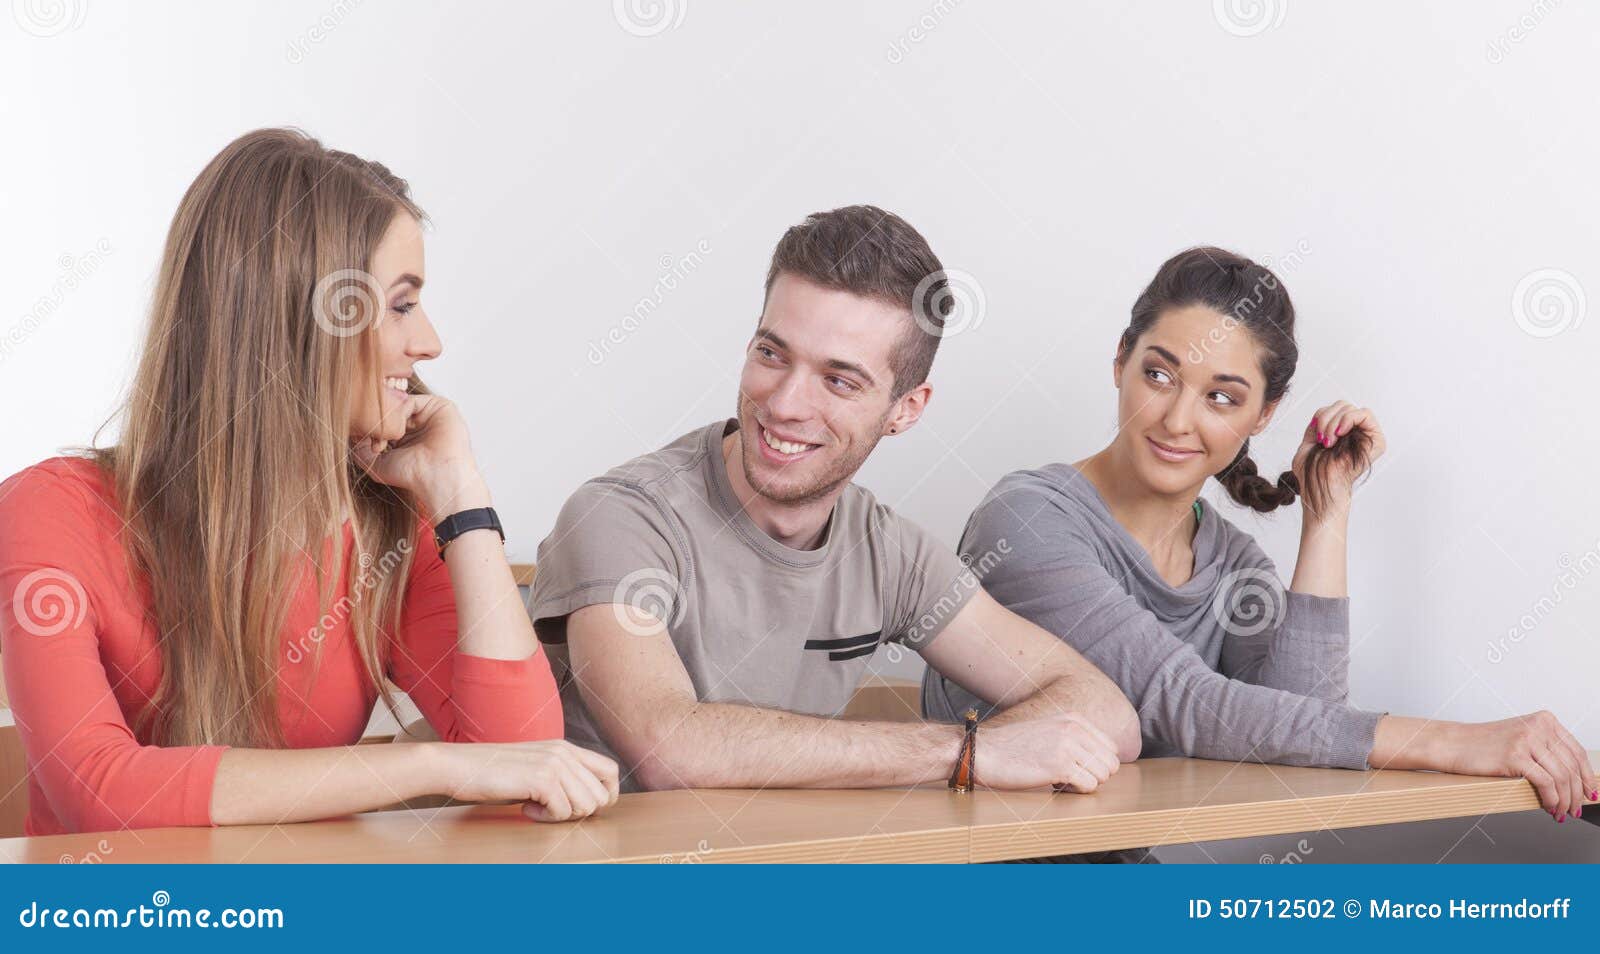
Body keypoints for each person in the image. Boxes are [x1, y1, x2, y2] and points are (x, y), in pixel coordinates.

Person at [0, 129, 618, 836]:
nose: (431, 344)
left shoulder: (389, 525)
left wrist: (460, 497)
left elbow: (520, 762)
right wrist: (433, 768)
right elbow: (102, 792)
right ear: (301, 323)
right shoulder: (51, 511)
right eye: (402, 304)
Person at [923, 246, 1596, 824]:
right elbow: (1179, 700)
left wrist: (1326, 512)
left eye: (1222, 396)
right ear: (1120, 361)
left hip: (1105, 873)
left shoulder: (1231, 562)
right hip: (972, 876)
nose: (1178, 419)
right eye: (1159, 375)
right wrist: (1457, 742)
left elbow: (1302, 729)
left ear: (1263, 414)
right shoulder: (1029, 519)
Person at [528, 205, 1140, 794]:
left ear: (906, 409)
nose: (786, 404)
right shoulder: (623, 515)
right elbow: (668, 748)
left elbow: (1108, 715)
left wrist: (999, 752)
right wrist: (967, 754)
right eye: (772, 353)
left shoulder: (889, 554)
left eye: (839, 380)